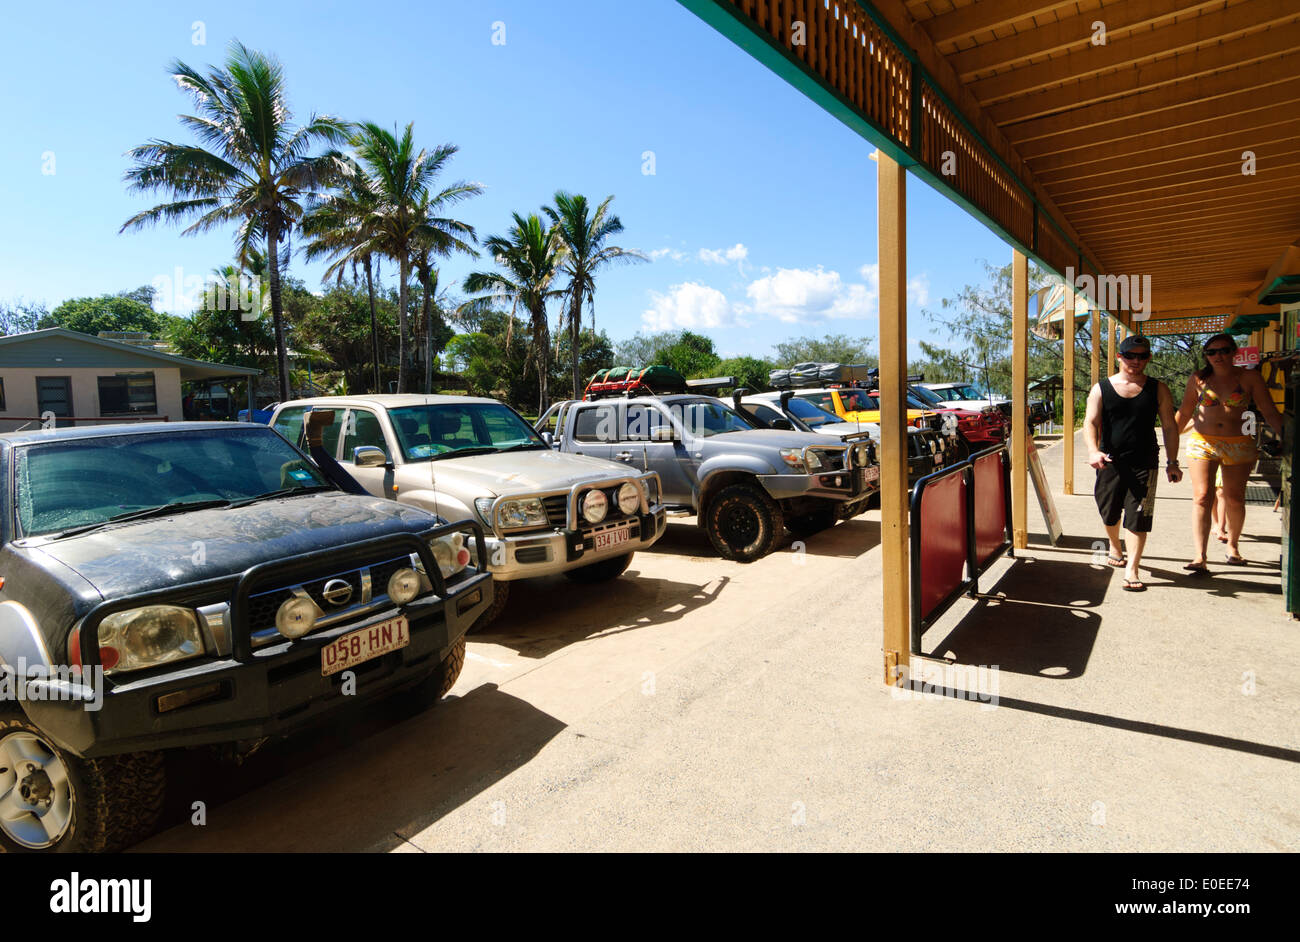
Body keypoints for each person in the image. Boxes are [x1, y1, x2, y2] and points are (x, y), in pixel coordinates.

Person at [1175, 333, 1282, 569]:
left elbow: (1269, 410)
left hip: (1239, 442)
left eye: (1223, 350)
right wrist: (1168, 440)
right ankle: (1200, 555)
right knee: (1202, 496)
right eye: (1211, 352)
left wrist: (1286, 436)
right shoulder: (1198, 379)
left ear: (1235, 352)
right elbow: (1184, 412)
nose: (1217, 356)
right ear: (1206, 356)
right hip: (1203, 441)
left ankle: (1233, 546)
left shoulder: (1250, 377)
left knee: (1234, 498)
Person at [1084, 334, 1182, 591]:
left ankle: (1133, 568)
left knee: (1138, 516)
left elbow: (1170, 427)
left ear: (1148, 358)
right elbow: (1090, 422)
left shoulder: (1157, 388)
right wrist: (1093, 451)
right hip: (1109, 461)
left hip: (1145, 461)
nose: (1135, 361)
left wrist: (1173, 461)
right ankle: (1115, 546)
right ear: (1119, 356)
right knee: (1109, 512)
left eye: (1141, 356)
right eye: (1130, 355)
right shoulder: (1101, 388)